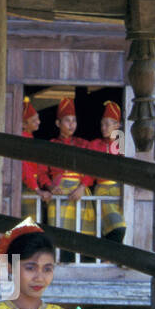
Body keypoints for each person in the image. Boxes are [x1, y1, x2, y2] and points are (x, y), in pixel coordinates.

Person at [44, 97, 95, 244]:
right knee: (58, 234)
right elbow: (41, 171)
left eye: (74, 120)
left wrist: (82, 187)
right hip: (58, 192)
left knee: (79, 235)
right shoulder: (51, 145)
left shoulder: (83, 144)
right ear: (58, 123)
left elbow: (92, 168)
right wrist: (50, 185)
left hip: (78, 192)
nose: (72, 124)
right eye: (67, 120)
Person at [86, 100, 127, 244]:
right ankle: (108, 258)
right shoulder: (95, 145)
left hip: (121, 191)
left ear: (118, 125)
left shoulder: (124, 145)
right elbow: (89, 171)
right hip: (103, 191)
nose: (103, 127)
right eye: (102, 124)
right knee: (117, 226)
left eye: (107, 124)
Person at [21, 98, 51, 219]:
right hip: (25, 187)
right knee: (26, 227)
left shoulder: (30, 138)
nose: (38, 122)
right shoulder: (22, 139)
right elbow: (24, 167)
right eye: (34, 120)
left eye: (38, 118)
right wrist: (37, 190)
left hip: (33, 187)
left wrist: (49, 185)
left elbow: (39, 169)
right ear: (23, 124)